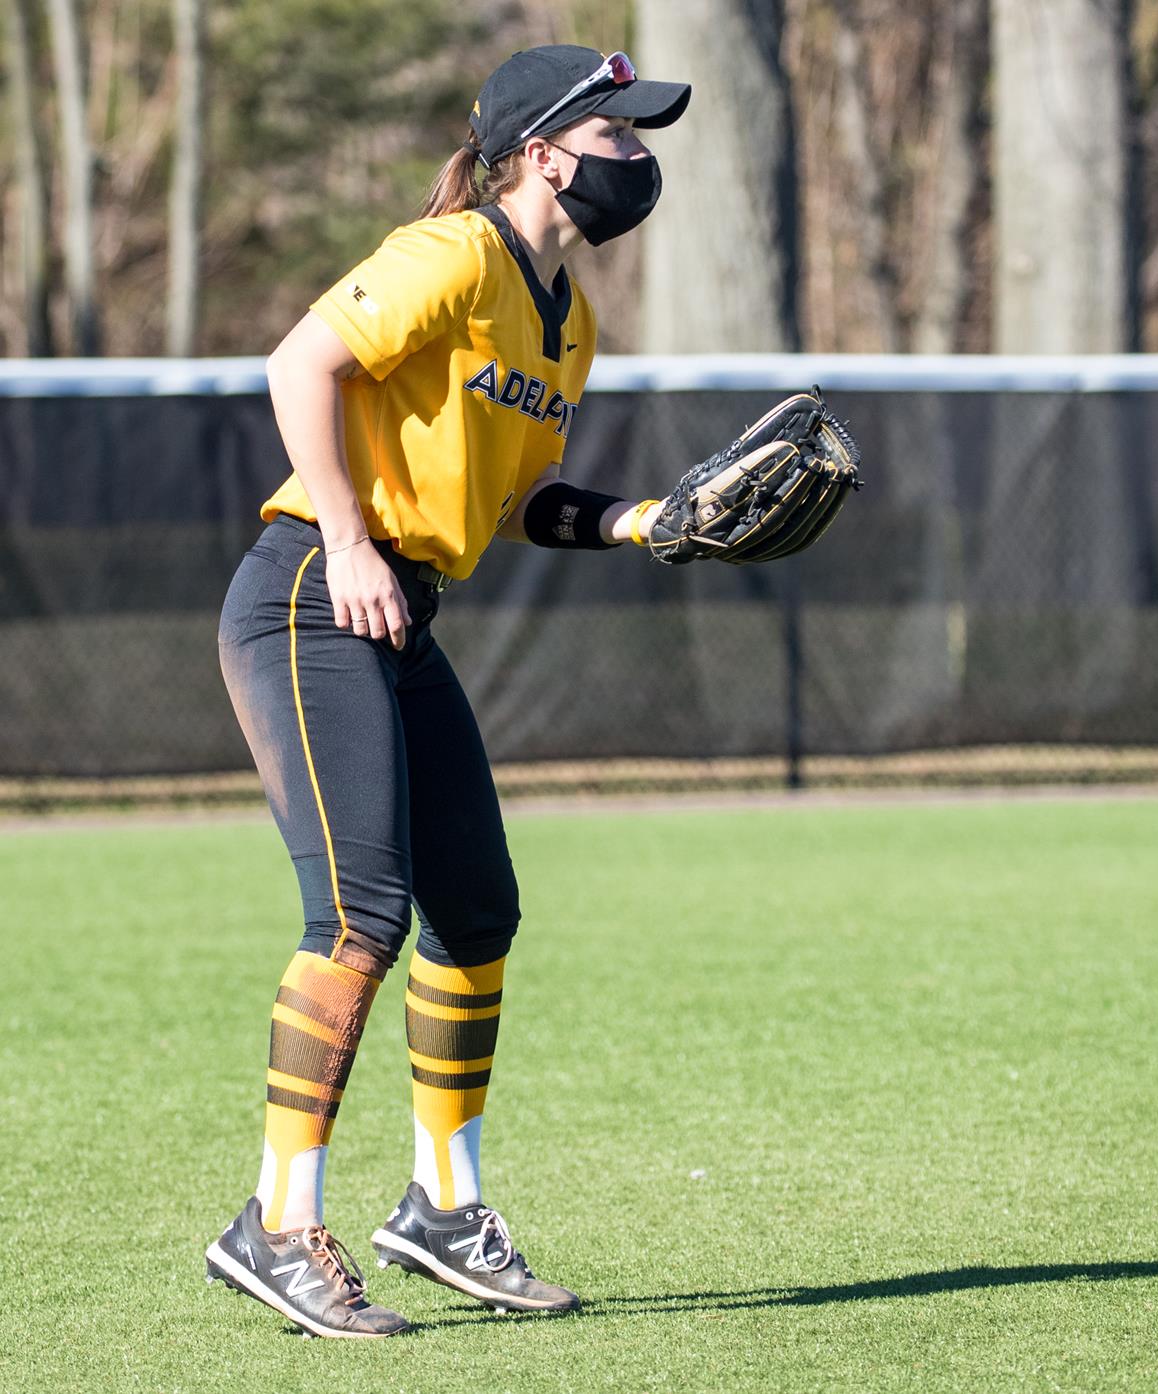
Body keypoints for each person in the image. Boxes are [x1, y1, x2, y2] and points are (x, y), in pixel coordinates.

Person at [202, 45, 691, 1339]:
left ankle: (439, 1205)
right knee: (359, 915)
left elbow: (519, 498)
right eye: (622, 137)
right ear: (543, 153)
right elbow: (298, 364)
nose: (640, 159)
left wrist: (647, 518)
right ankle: (275, 1220)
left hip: (397, 610)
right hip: (313, 589)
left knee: (475, 912)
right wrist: (354, 543)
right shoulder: (452, 255)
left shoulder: (565, 317)